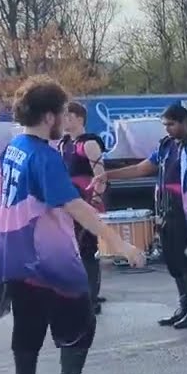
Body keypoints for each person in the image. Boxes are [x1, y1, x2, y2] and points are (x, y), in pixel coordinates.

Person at [0, 76, 145, 374]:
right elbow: (76, 206)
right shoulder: (44, 157)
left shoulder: (11, 148)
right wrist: (120, 244)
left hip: (14, 253)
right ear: (48, 117)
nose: (65, 119)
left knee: (27, 325)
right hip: (47, 258)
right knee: (82, 321)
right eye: (62, 113)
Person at [93, 104, 187, 329]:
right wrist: (107, 175)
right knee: (173, 262)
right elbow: (141, 168)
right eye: (165, 125)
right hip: (167, 211)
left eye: (171, 124)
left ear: (183, 122)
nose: (167, 129)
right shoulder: (166, 146)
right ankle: (183, 307)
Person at [58, 101, 107, 314]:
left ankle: (91, 298)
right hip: (69, 202)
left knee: (87, 250)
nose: (63, 119)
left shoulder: (89, 144)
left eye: (67, 116)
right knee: (72, 250)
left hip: (86, 201)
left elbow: (101, 176)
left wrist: (95, 202)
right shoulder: (64, 143)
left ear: (78, 118)